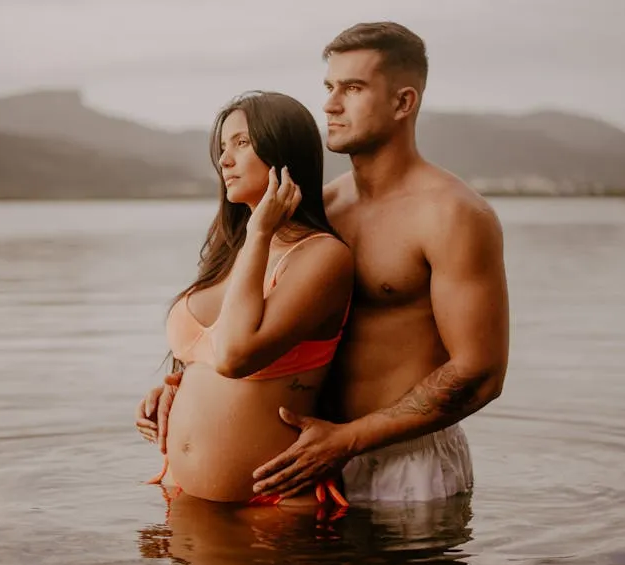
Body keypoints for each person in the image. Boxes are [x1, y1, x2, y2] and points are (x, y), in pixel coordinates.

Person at [138, 22, 509, 503]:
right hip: (307, 458)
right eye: (329, 87)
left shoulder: (453, 215)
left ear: (403, 102)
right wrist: (184, 388)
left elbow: (481, 372)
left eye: (353, 88)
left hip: (401, 463)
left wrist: (350, 438)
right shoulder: (321, 209)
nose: (331, 104)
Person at [138, 90, 354, 509]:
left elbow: (236, 356)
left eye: (241, 143)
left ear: (284, 152)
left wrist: (259, 232)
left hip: (271, 503)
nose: (224, 161)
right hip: (183, 496)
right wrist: (169, 393)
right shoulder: (231, 251)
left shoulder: (322, 256)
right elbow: (207, 360)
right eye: (222, 148)